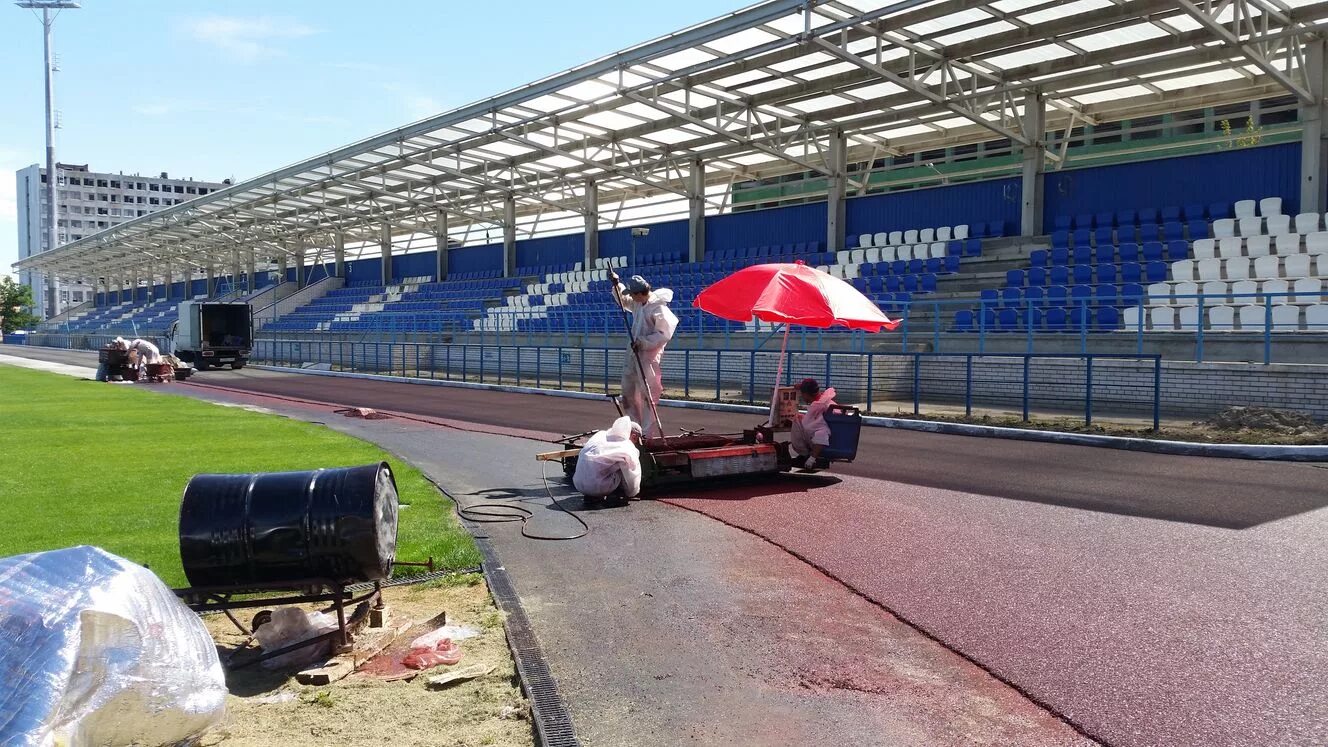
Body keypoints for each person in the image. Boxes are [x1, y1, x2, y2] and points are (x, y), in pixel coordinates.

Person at [609, 270, 678, 439]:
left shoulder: (658, 308)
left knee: (649, 395)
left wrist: (643, 342)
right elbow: (623, 300)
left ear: (640, 293)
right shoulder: (638, 304)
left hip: (648, 357)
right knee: (629, 391)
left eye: (633, 294)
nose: (631, 297)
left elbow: (664, 334)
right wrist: (616, 283)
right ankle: (634, 428)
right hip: (633, 353)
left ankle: (647, 433)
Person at [572, 416, 644, 500]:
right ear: (634, 436)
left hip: (579, 484)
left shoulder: (600, 435)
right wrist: (631, 493)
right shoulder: (626, 445)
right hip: (600, 487)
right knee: (624, 467)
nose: (635, 444)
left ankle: (591, 496)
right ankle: (616, 495)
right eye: (636, 440)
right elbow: (632, 477)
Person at [790, 378, 837, 470]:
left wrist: (812, 458)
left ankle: (806, 455)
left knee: (796, 421)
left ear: (806, 394)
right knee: (799, 418)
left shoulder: (820, 407)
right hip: (823, 436)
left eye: (802, 394)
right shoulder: (823, 401)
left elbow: (822, 433)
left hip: (820, 442)